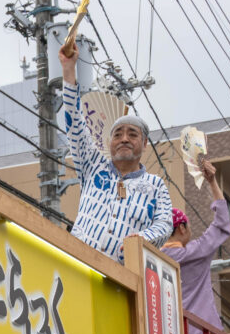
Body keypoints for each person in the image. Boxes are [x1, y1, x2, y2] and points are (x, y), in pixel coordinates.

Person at [57, 35, 177, 257]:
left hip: (122, 278)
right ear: (109, 142)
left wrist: (141, 238)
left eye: (132, 134)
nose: (124, 139)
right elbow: (74, 122)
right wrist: (68, 70)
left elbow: (164, 224)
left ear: (144, 143)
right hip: (79, 262)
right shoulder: (93, 165)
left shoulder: (154, 185)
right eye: (117, 134)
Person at [161, 153, 230, 333]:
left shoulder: (153, 258)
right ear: (182, 229)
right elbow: (222, 224)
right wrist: (212, 182)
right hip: (204, 332)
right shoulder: (195, 252)